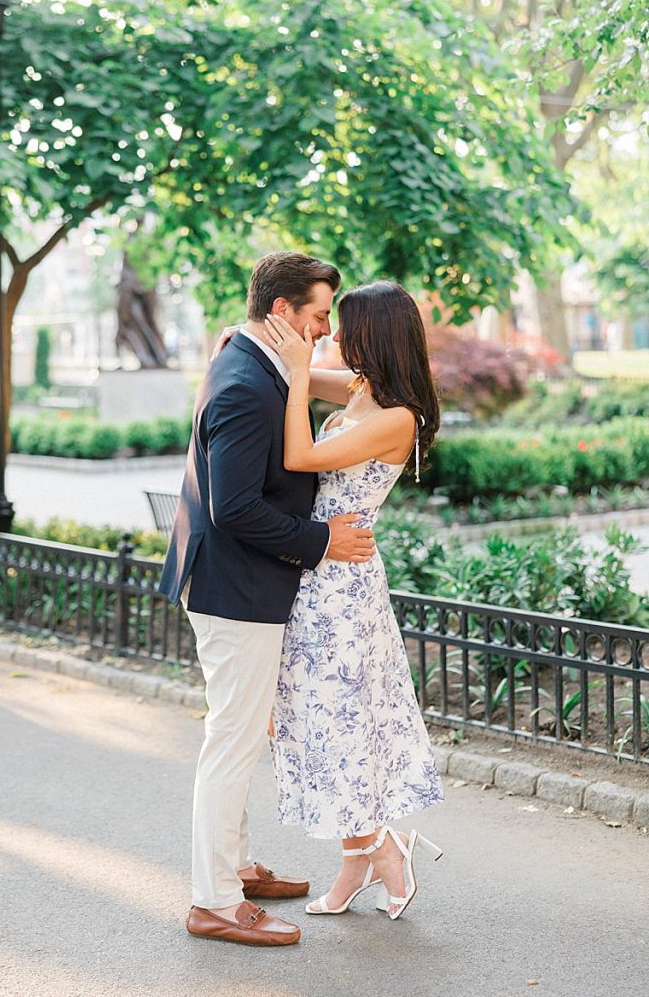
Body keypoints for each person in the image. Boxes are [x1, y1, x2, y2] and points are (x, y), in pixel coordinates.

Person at [158, 251, 377, 947]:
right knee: (232, 740)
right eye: (317, 317)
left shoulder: (253, 357)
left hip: (235, 581)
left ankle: (236, 865)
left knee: (240, 735)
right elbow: (235, 509)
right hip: (235, 588)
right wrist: (322, 542)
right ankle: (216, 900)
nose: (322, 330)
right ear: (283, 312)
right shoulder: (247, 386)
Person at [261, 280, 445, 920]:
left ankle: (376, 850)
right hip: (317, 567)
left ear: (375, 335)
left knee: (341, 722)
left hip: (344, 586)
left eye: (344, 326)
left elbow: (300, 452)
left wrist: (298, 372)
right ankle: (365, 855)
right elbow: (305, 379)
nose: (332, 336)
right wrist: (256, 344)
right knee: (321, 721)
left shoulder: (396, 417)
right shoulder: (364, 390)